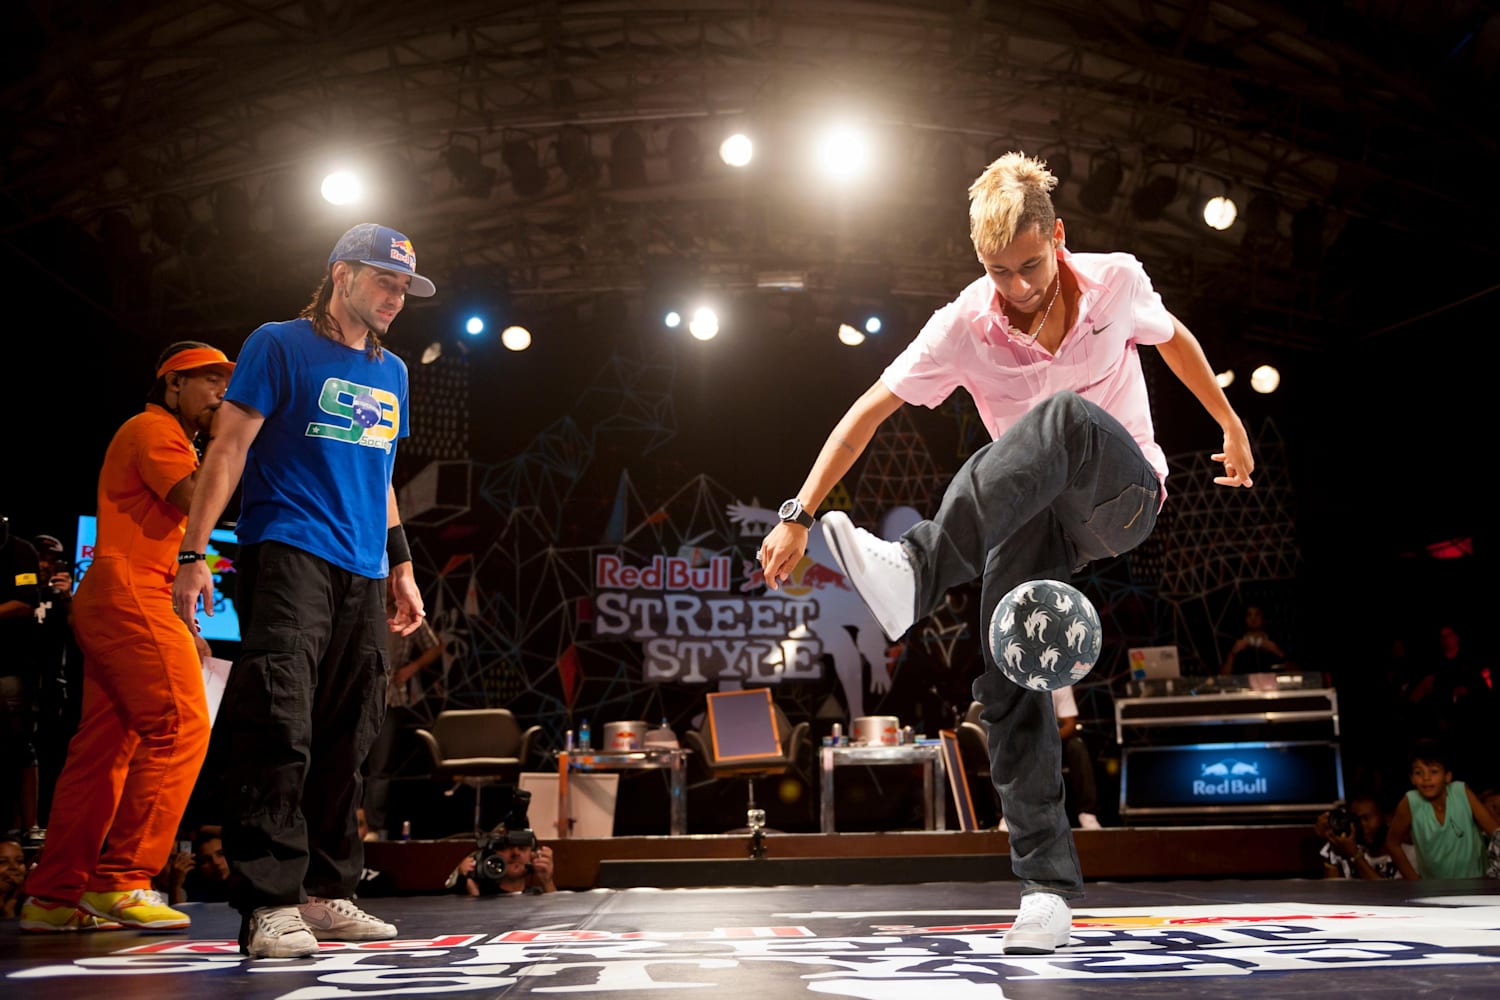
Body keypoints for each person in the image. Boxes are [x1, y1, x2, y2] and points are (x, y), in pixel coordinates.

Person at [758, 151, 1254, 954]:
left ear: (1056, 237)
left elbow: (1177, 339)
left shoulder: (1117, 280)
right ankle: (1046, 891)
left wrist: (1228, 423)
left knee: (1060, 418)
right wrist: (799, 512)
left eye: (1030, 266)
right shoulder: (962, 324)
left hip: (1121, 496)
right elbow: (869, 410)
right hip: (1034, 522)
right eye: (998, 272)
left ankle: (918, 567)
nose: (1018, 290)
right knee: (1009, 666)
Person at [172, 222, 435, 959]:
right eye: (384, 281)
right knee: (279, 720)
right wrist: (196, 551)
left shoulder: (394, 373)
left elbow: (381, 475)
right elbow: (228, 447)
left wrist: (402, 565)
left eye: (403, 288)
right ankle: (268, 904)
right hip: (288, 550)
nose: (394, 298)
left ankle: (326, 894)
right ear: (341, 274)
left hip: (362, 566)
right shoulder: (278, 343)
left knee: (348, 731)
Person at [19, 342, 232, 935]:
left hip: (124, 594)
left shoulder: (166, 435)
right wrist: (230, 438)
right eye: (208, 381)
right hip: (131, 591)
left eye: (225, 382)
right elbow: (199, 502)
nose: (221, 391)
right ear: (171, 386)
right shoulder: (155, 430)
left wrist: (186, 623)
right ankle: (122, 879)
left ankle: (53, 895)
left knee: (102, 754)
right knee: (182, 725)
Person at [363, 591, 444, 841]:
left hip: (389, 697)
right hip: (358, 695)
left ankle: (374, 828)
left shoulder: (408, 612)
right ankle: (345, 821)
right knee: (348, 762)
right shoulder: (364, 605)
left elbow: (435, 647)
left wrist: (411, 668)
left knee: (380, 767)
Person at [1385, 739, 1497, 880]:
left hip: (1477, 884)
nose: (1426, 778)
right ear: (1412, 778)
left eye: (1434, 771)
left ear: (1447, 776)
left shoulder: (1461, 791)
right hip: (1434, 891)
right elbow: (1392, 843)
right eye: (1419, 773)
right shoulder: (1410, 802)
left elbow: (1496, 833)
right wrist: (1414, 881)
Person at [32, 532, 82, 829]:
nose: (44, 565)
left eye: (51, 561)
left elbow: (81, 634)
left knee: (52, 760)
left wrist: (67, 599)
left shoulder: (66, 599)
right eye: (40, 558)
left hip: (53, 691)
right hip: (18, 680)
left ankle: (48, 824)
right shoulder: (18, 594)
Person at [0, 516, 43, 844]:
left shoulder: (20, 551)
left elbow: (25, 603)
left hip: (11, 664)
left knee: (20, 745)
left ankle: (28, 826)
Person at [1313, 794, 1401, 879]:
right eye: (1357, 820)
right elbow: (1331, 891)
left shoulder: (1405, 853)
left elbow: (1385, 892)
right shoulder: (1350, 850)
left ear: (1387, 818)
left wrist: (1355, 855)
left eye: (1366, 818)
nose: (1361, 825)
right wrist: (1333, 847)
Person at [445, 831, 557, 896]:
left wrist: (547, 881)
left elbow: (558, 921)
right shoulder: (482, 897)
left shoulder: (540, 895)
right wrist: (469, 888)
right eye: (506, 848)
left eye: (522, 848)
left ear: (533, 855)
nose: (515, 853)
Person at [1052, 686, 1101, 830]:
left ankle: (1087, 812)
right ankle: (1009, 814)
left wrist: (1050, 739)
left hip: (1053, 740)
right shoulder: (1015, 679)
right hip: (1025, 740)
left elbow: (1070, 724)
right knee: (1007, 746)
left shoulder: (1059, 678)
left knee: (1077, 746)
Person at [1219, 604, 1291, 675]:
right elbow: (1222, 677)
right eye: (1249, 615)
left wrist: (1278, 652)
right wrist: (1232, 654)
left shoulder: (1276, 641)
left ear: (1263, 618)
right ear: (1245, 619)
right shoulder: (1234, 643)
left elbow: (1298, 673)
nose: (1253, 618)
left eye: (1257, 614)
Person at [1, 836, 27, 919]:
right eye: (2, 862)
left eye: (20, 861)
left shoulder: (32, 902)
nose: (14, 867)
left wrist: (11, 903)